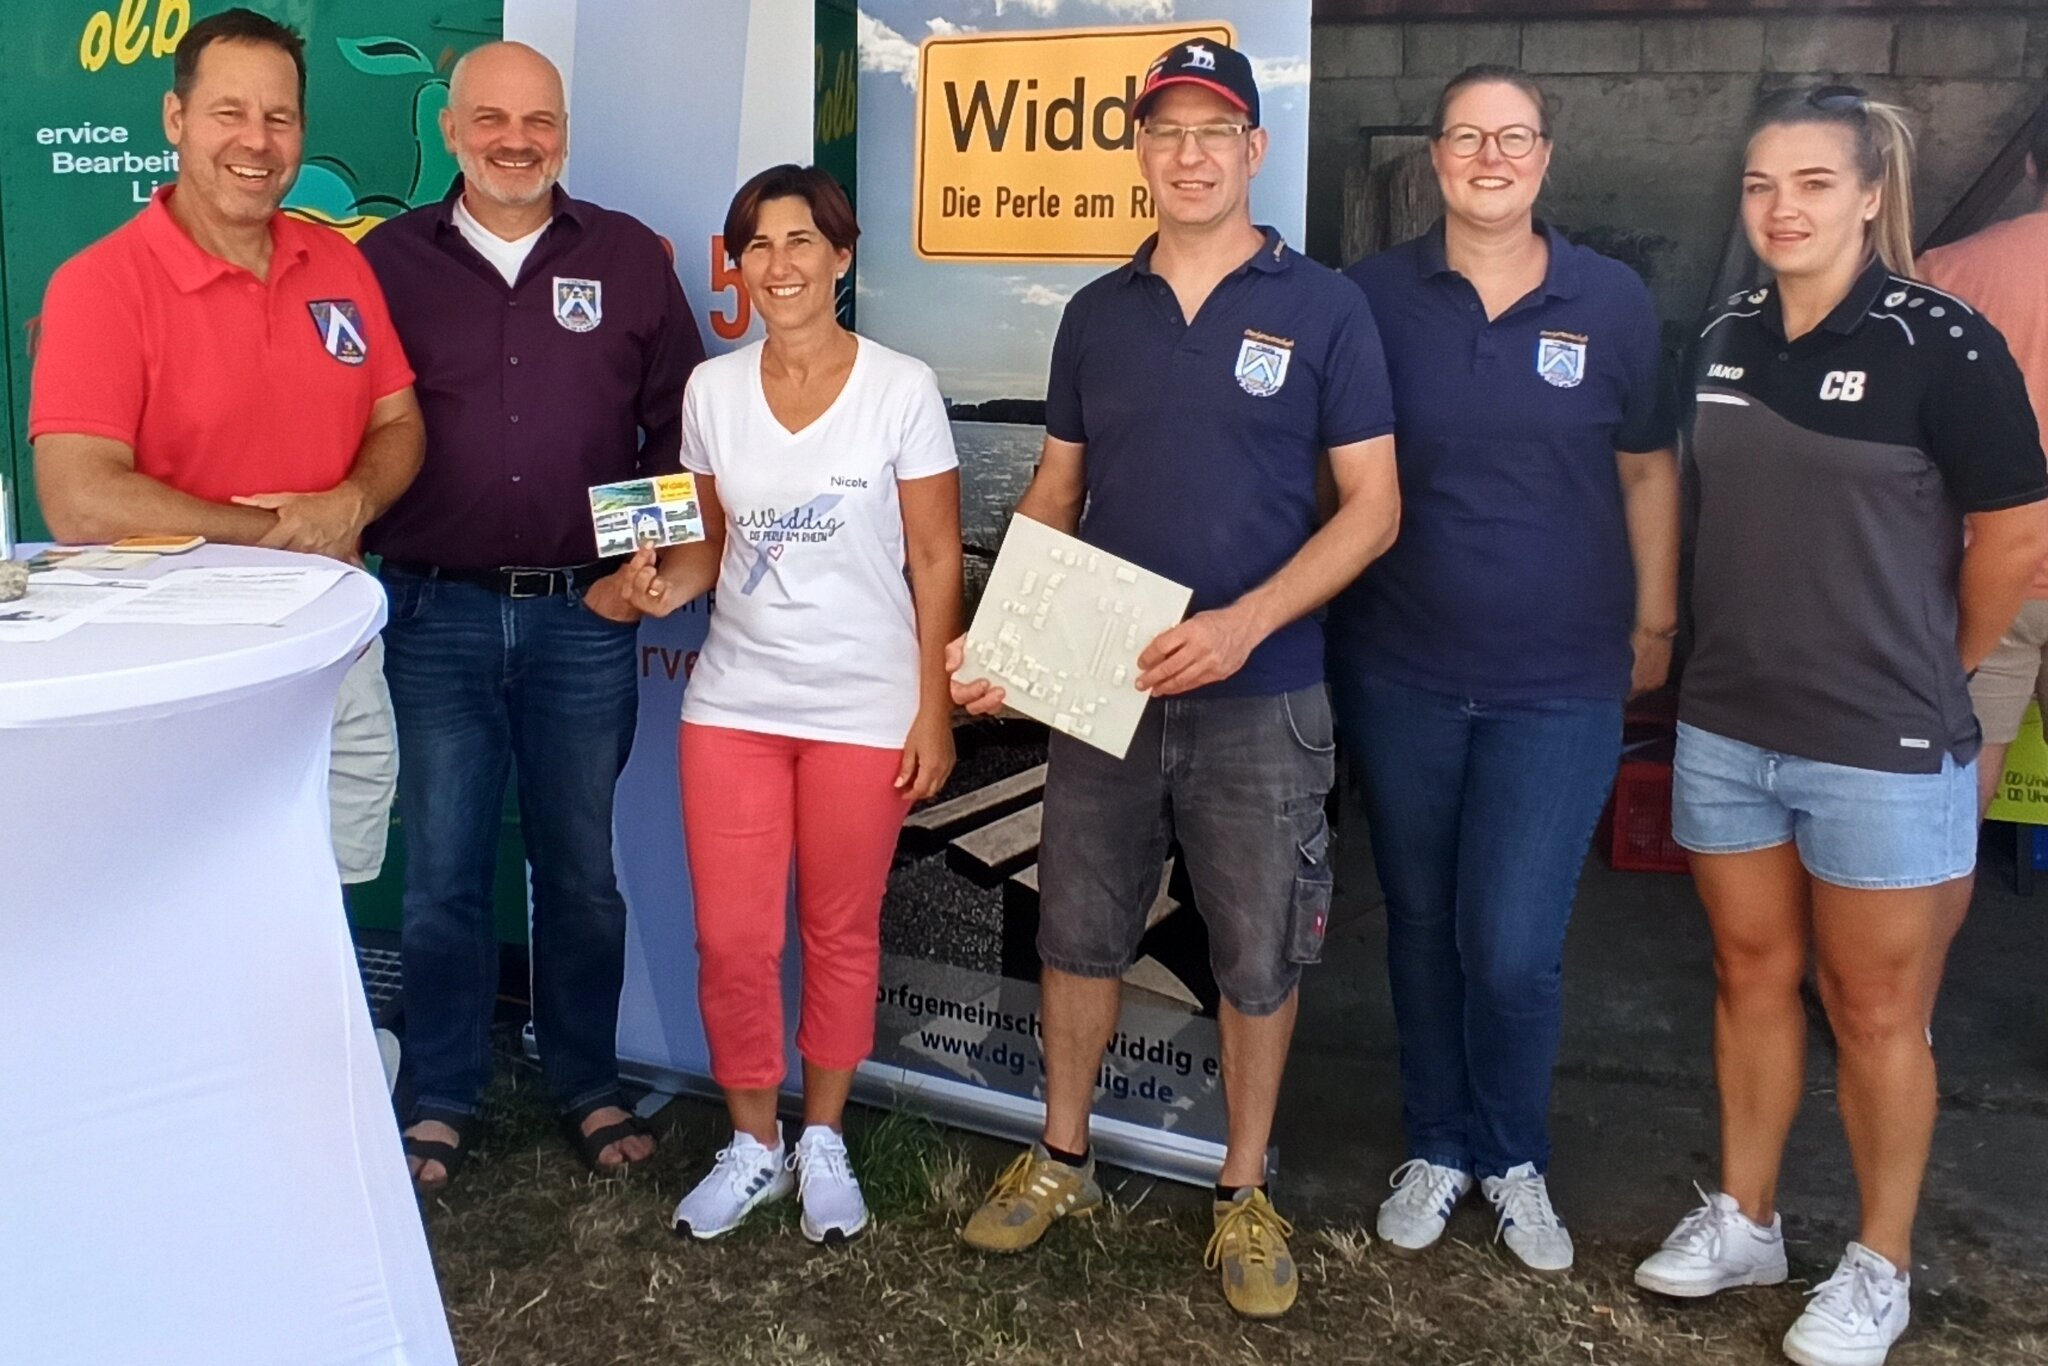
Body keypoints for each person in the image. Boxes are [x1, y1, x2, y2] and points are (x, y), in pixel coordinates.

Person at [946, 40, 1400, 1319]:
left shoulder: (1323, 307)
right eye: (1165, 131)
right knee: (1077, 928)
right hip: (1108, 680)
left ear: (1255, 151)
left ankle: (1241, 1189)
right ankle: (1061, 1156)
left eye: (1214, 131)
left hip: (1265, 686)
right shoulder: (1096, 312)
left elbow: (1371, 510)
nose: (1188, 153)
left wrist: (1245, 623)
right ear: (1138, 153)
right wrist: (1000, 637)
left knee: (1256, 947)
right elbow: (1053, 488)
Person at [1633, 88, 2048, 1366]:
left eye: (1812, 182)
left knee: (1872, 1012)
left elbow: (2016, 534)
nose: (1781, 208)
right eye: (1760, 184)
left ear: (1869, 195)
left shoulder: (1946, 341)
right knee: (1747, 977)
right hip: (1728, 729)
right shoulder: (1720, 337)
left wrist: (1940, 667)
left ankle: (1880, 1263)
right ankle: (1746, 1218)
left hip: (1880, 741)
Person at [1329, 65, 1679, 1275]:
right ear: (1433, 159)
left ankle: (1511, 1151)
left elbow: (1644, 469)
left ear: (1545, 158)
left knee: (1514, 939)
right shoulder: (1368, 298)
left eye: (1513, 137)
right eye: (1467, 137)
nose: (1490, 157)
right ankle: (1435, 1140)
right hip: (1402, 666)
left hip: (1559, 678)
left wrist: (1657, 619)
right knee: (1421, 921)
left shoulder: (1613, 302)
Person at [357, 41, 705, 1191]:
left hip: (580, 619)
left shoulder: (626, 258)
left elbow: (674, 433)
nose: (518, 141)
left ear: (565, 131)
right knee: (448, 869)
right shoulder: (388, 262)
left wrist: (635, 568)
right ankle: (440, 1090)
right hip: (432, 613)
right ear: (452, 130)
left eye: (540, 121)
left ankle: (587, 1080)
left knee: (580, 873)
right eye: (493, 120)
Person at [592, 165, 962, 1244]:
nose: (781, 265)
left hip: (864, 708)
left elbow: (937, 557)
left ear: (841, 259)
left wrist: (931, 706)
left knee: (838, 931)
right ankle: (752, 1139)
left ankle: (824, 1137)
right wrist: (660, 583)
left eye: (803, 242)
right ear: (737, 265)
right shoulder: (712, 393)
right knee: (733, 939)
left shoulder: (900, 385)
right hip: (736, 705)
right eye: (758, 246)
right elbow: (708, 549)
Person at [28, 7, 421, 895]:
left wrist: (353, 501)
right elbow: (79, 496)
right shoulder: (100, 285)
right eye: (229, 113)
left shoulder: (339, 265)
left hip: (337, 662)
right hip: (181, 679)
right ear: (176, 121)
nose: (257, 140)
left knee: (333, 899)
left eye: (279, 118)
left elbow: (400, 423)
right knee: (191, 910)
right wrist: (267, 529)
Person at [1918, 117, 2048, 821]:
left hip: (1981, 573)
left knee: (1956, 796)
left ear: (2028, 166)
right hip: (1989, 568)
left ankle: (1933, 934)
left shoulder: (1943, 273)